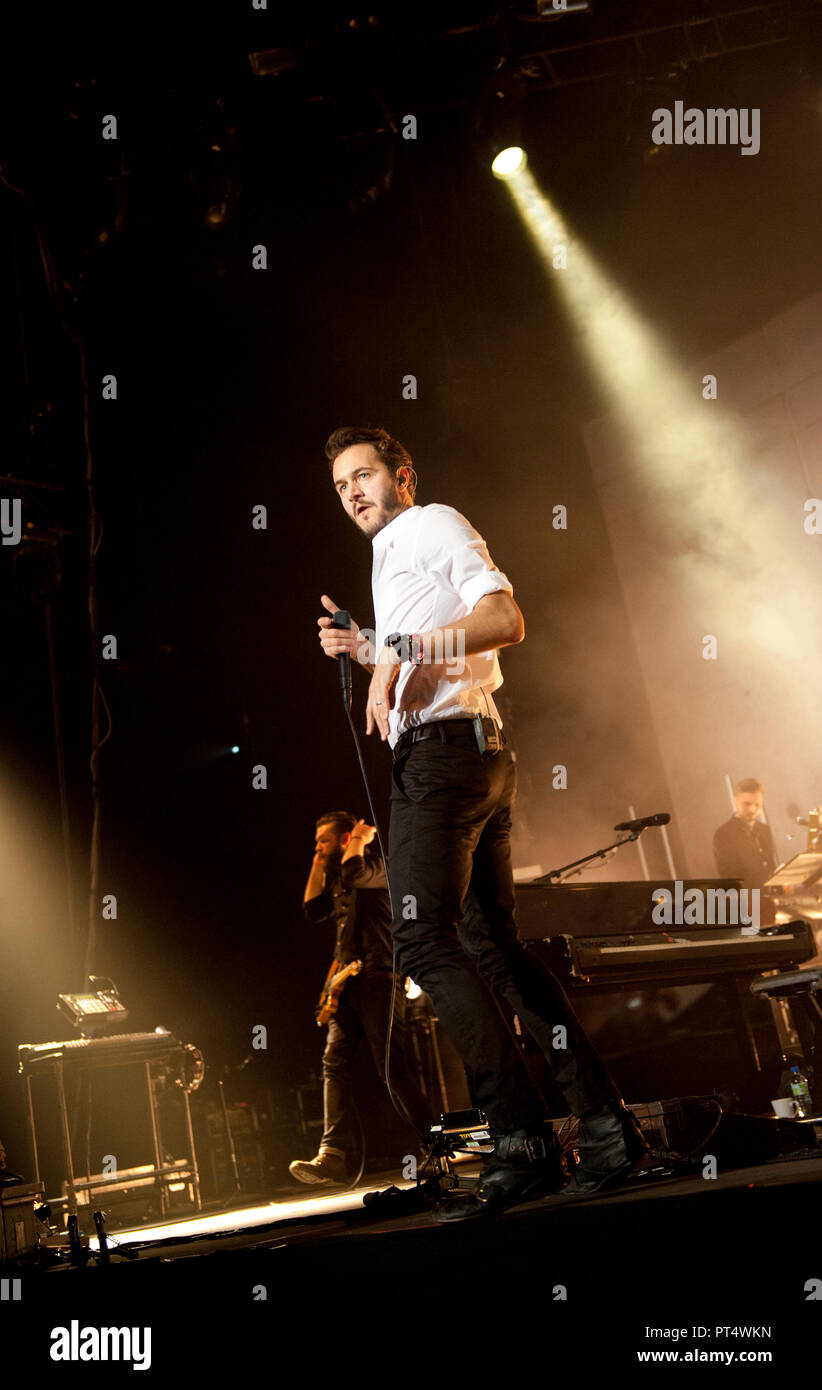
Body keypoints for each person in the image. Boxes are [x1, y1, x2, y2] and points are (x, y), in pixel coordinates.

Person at [316, 424, 648, 1220]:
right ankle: (605, 1127)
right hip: (468, 753)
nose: (353, 491)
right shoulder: (392, 551)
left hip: (445, 761)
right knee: (495, 949)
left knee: (424, 939)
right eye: (340, 485)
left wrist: (394, 646)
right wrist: (367, 647)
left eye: (364, 475)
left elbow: (503, 621)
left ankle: (522, 1138)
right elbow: (424, 651)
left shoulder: (431, 522)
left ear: (403, 474)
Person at [289, 809, 431, 1185]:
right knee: (333, 1064)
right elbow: (312, 908)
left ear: (345, 837)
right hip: (347, 983)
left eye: (324, 840)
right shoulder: (341, 876)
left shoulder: (378, 867)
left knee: (391, 1066)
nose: (317, 846)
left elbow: (354, 872)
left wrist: (359, 840)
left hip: (380, 977)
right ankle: (331, 1154)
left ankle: (432, 1145)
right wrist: (319, 862)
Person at [713, 779, 777, 891]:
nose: (752, 809)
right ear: (735, 801)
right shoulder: (723, 834)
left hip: (771, 898)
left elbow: (771, 867)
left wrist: (783, 883)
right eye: (747, 804)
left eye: (758, 805)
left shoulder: (765, 830)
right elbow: (731, 879)